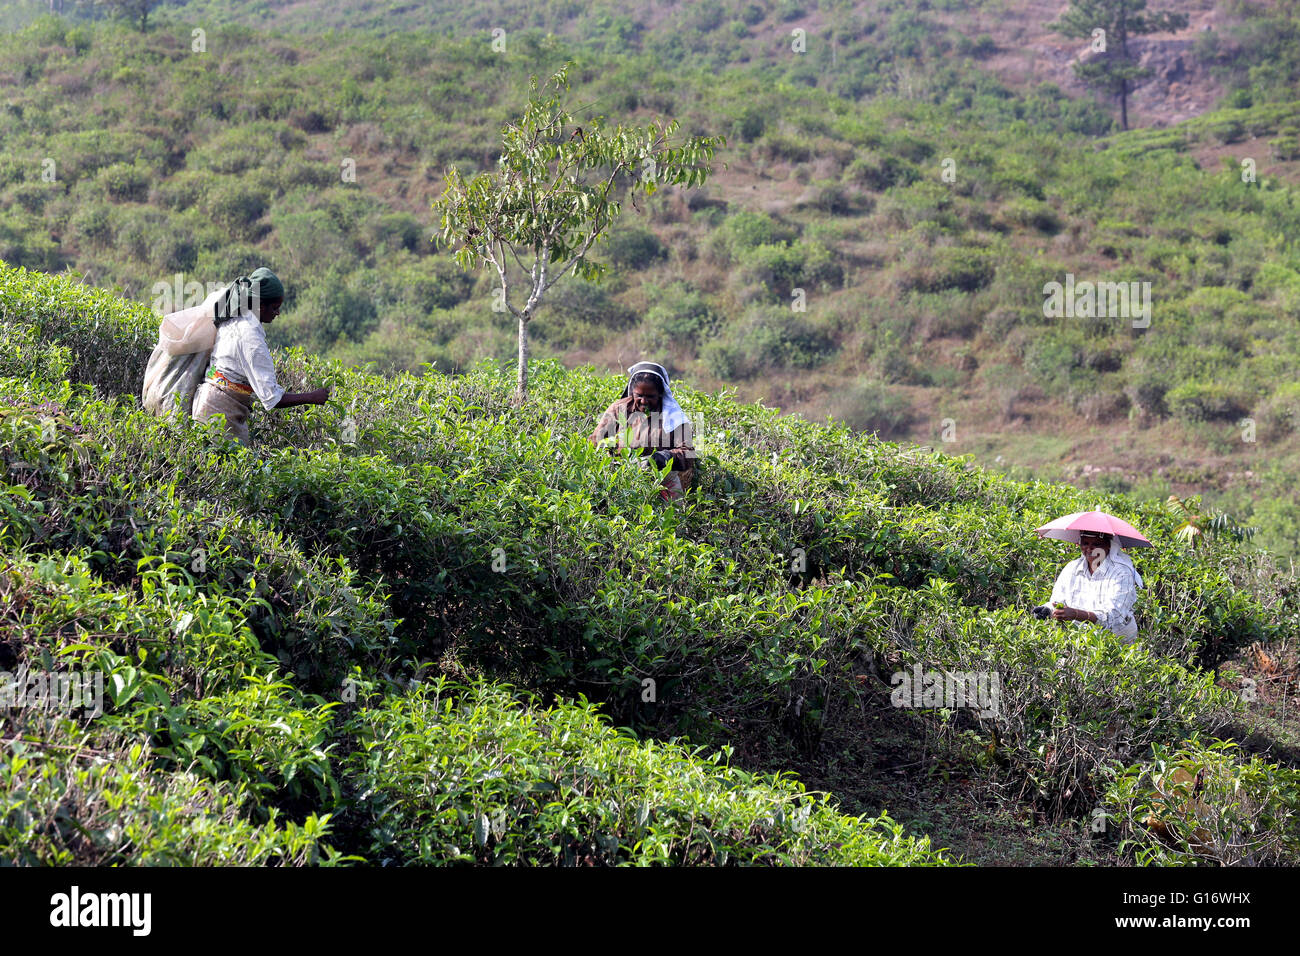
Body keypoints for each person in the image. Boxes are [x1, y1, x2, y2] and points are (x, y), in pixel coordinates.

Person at [190, 267, 331, 446]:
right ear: (260, 306)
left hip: (207, 402)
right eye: (274, 308)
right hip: (220, 411)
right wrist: (312, 397)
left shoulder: (234, 315)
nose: (277, 313)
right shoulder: (251, 337)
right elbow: (272, 398)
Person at [589, 361, 695, 501]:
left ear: (660, 394)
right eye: (639, 395)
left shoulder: (674, 416)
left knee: (672, 519)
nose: (644, 401)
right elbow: (595, 442)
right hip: (623, 476)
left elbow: (688, 454)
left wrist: (666, 456)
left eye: (650, 396)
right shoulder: (619, 409)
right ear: (633, 392)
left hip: (661, 479)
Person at [1032, 530, 1143, 643]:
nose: (1089, 549)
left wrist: (1075, 614)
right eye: (1085, 543)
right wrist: (1048, 609)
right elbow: (1058, 601)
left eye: (1096, 544)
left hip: (1116, 644)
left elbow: (1114, 616)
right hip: (1078, 642)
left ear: (1108, 546)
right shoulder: (1072, 568)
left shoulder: (1121, 573)